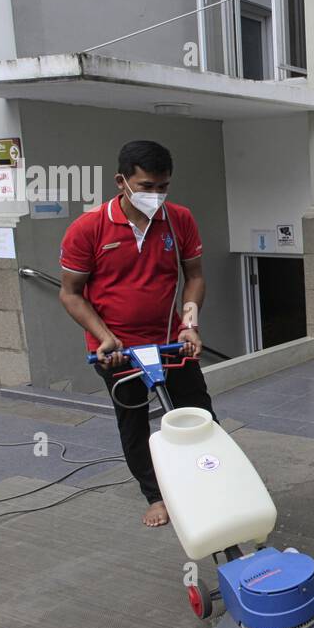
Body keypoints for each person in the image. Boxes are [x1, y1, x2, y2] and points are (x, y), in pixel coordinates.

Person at [59, 140, 214, 527]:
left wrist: (189, 324)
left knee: (198, 415)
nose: (156, 196)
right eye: (146, 187)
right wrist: (103, 336)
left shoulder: (179, 220)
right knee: (134, 422)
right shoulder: (88, 228)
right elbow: (71, 293)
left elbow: (193, 276)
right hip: (116, 350)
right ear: (121, 181)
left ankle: (207, 479)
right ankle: (156, 495)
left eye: (163, 187)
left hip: (169, 344)